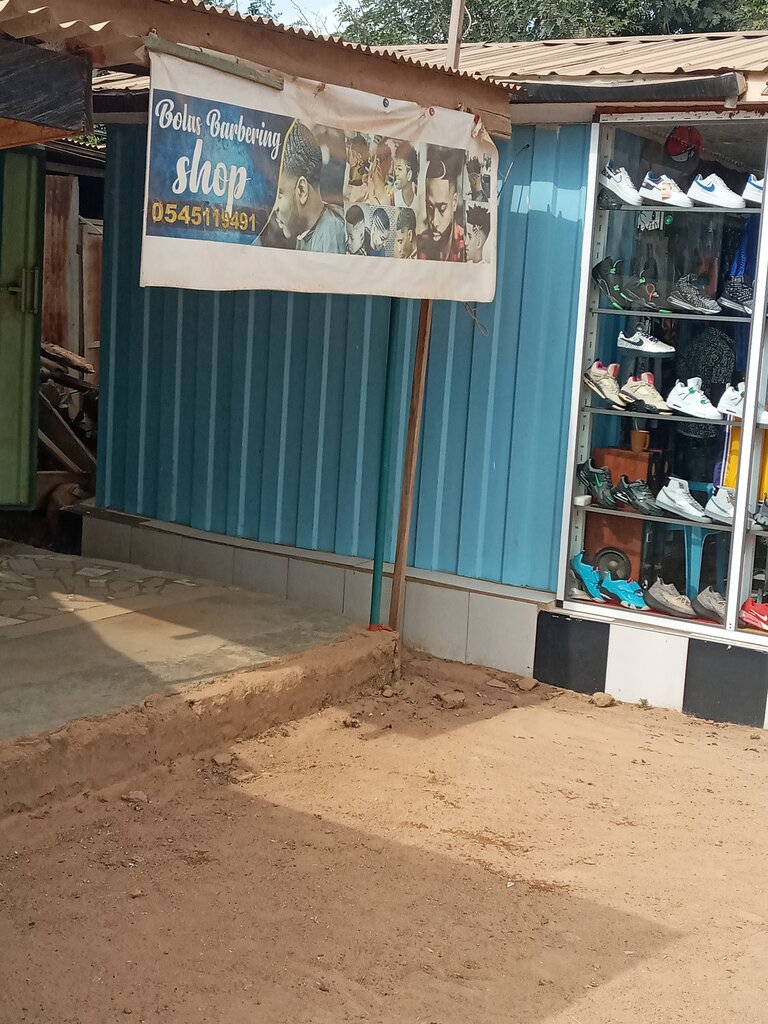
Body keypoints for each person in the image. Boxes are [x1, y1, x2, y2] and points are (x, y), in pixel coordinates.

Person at [272, 120, 345, 254]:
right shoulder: (304, 232)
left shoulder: (331, 232)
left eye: (279, 194)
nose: (274, 206)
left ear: (301, 190)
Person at [417, 154, 465, 262]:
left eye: (442, 209)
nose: (434, 221)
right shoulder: (420, 245)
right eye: (429, 207)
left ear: (454, 203)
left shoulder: (465, 246)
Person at [392, 142, 418, 209]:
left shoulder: (419, 203)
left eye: (399, 169)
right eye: (395, 169)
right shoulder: (392, 199)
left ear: (409, 174)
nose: (396, 173)